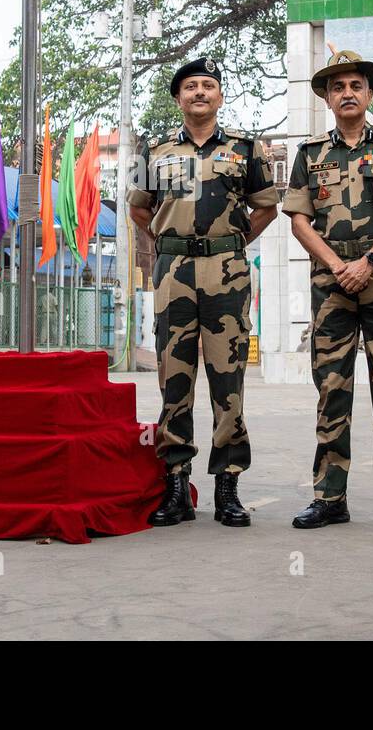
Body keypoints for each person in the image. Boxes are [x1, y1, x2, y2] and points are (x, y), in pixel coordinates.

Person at [126, 56, 279, 528]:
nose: (199, 93)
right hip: (173, 272)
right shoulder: (153, 152)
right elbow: (138, 211)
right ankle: (176, 487)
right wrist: (173, 245)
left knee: (228, 380)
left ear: (219, 96)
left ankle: (228, 487)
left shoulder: (246, 150)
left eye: (208, 85)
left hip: (227, 271)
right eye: (190, 86)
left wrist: (228, 246)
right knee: (175, 380)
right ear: (178, 98)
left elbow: (266, 209)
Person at [283, 50, 373, 532]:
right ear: (327, 98)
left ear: (368, 95)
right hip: (332, 287)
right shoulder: (309, 156)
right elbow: (300, 221)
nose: (347, 93)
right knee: (332, 390)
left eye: (355, 86)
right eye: (337, 86)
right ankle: (329, 497)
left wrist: (367, 262)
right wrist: (336, 265)